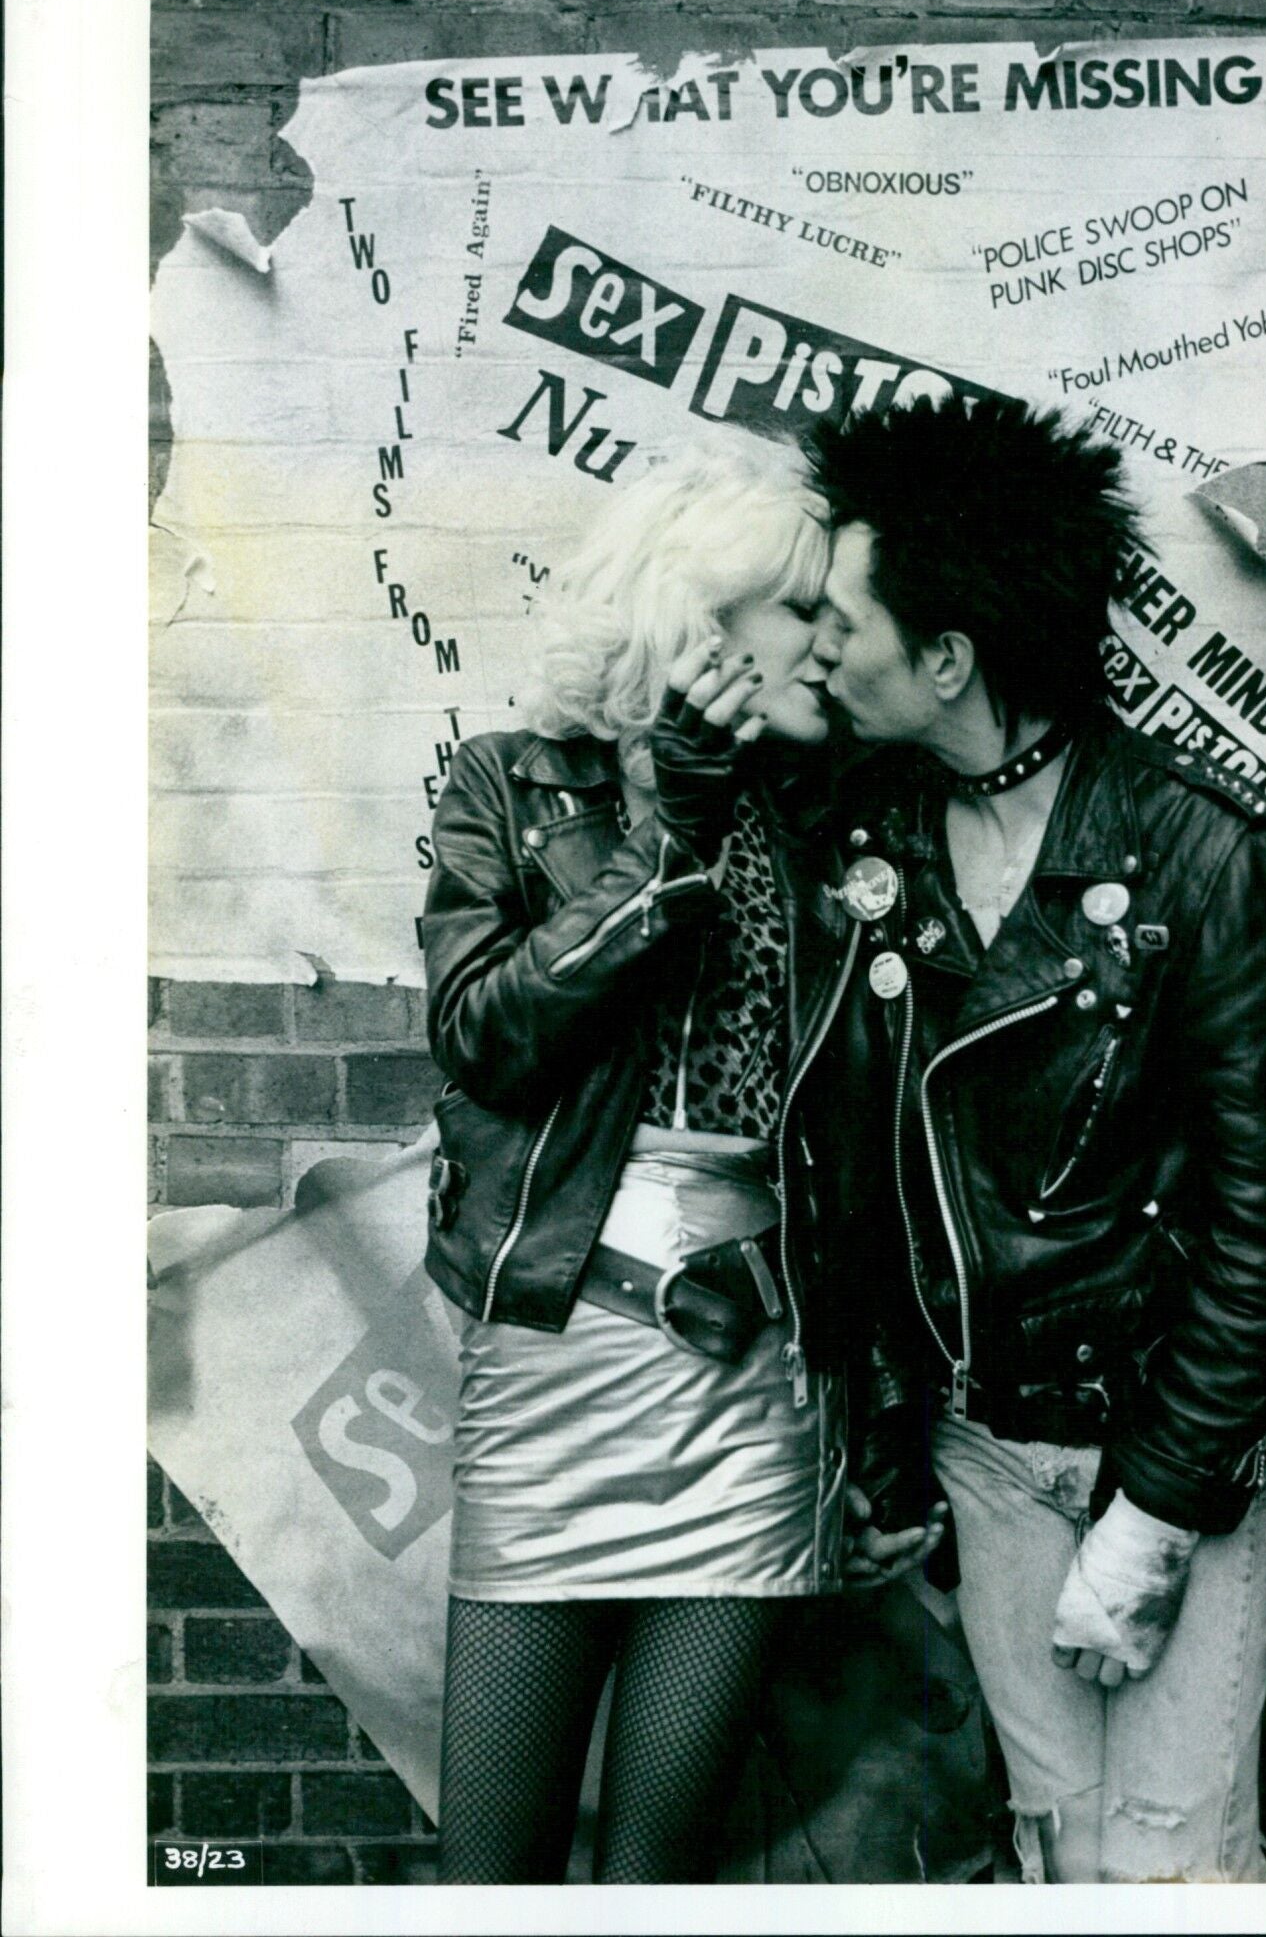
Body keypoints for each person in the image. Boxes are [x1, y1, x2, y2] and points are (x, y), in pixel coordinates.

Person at [800, 395, 1266, 1884]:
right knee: (1056, 1852)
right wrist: (884, 1444)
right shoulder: (870, 846)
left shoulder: (1214, 859)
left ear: (945, 658)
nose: (811, 651)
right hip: (985, 1452)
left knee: (1171, 1867)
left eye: (836, 619)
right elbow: (851, 1177)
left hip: (1157, 1440)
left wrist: (1160, 1511)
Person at [420, 443, 939, 1885]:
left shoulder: (829, 823)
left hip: (749, 1386)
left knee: (666, 1875)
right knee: (494, 1875)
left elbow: (869, 1144)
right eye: (794, 612)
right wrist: (669, 836)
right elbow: (486, 1039)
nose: (827, 642)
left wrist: (876, 1418)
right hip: (557, 1365)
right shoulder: (508, 787)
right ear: (699, 620)